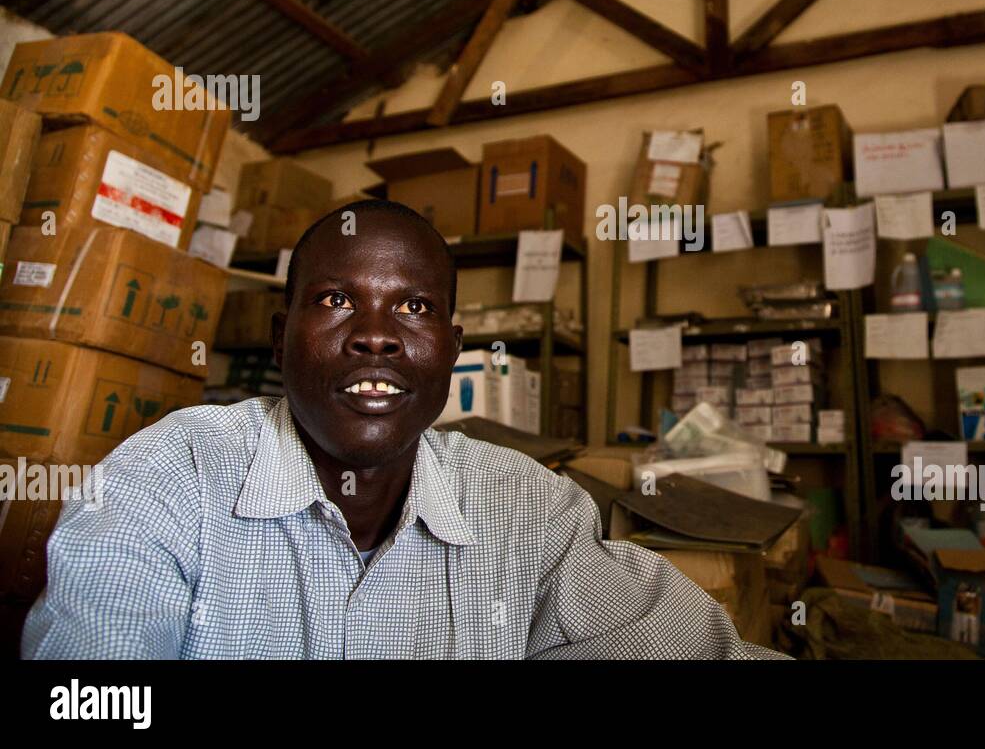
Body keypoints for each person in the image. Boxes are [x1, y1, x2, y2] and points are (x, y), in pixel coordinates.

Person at [23, 199, 787, 659]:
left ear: (453, 351)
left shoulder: (526, 511)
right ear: (281, 335)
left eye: (415, 308)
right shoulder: (163, 480)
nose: (378, 335)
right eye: (334, 301)